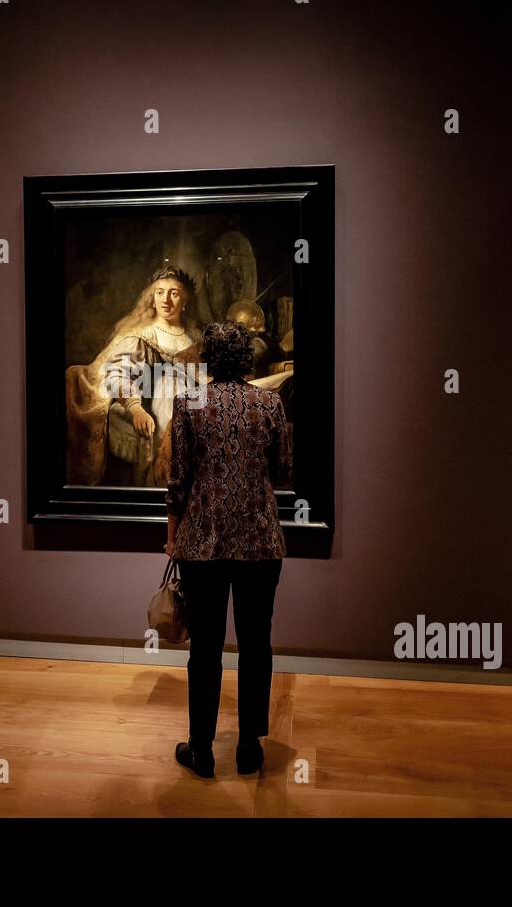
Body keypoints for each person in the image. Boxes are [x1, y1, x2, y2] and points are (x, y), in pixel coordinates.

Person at [165, 320, 293, 778]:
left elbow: (178, 479)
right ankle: (248, 748)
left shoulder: (190, 401)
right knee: (256, 644)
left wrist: (171, 535)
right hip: (260, 540)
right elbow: (282, 469)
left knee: (205, 649)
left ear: (209, 358)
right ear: (247, 358)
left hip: (203, 541)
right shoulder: (269, 402)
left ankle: (201, 748)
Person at [64, 263, 204, 487]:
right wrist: (136, 408)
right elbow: (118, 374)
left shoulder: (195, 340)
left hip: (196, 405)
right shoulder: (142, 335)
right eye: (160, 292)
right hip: (160, 402)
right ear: (152, 297)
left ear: (185, 302)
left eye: (174, 293)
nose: (166, 300)